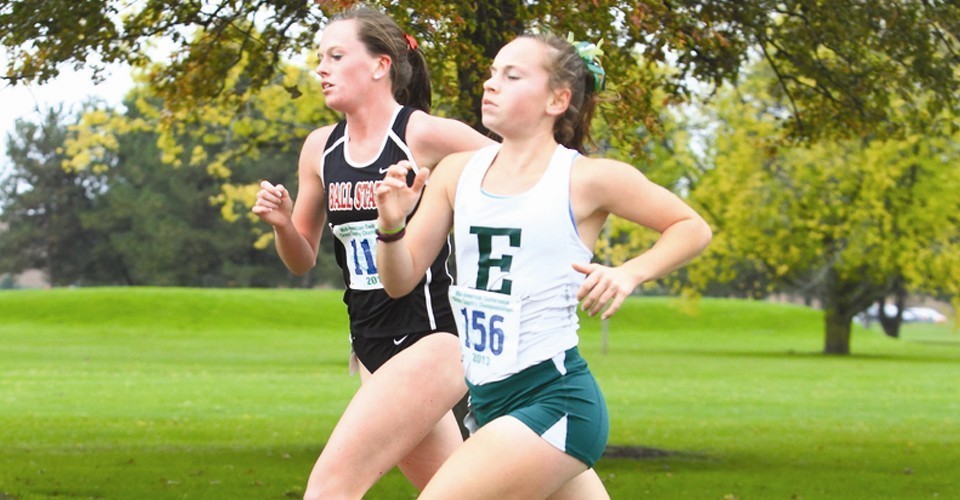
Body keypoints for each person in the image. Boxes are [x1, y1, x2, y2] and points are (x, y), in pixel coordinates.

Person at [374, 32, 713, 499]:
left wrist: (629, 272)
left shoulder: (587, 178)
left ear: (559, 98)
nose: (491, 85)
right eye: (492, 73)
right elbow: (399, 280)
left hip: (554, 399)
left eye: (512, 76)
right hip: (490, 400)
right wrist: (390, 225)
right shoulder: (456, 172)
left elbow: (690, 227)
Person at [251, 5, 494, 499]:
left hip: (433, 337)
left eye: (337, 56)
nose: (321, 68)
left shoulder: (420, 133)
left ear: (381, 65)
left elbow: (516, 169)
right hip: (369, 344)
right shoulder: (320, 148)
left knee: (330, 488)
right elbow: (301, 257)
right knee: (455, 490)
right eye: (320, 57)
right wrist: (281, 224)